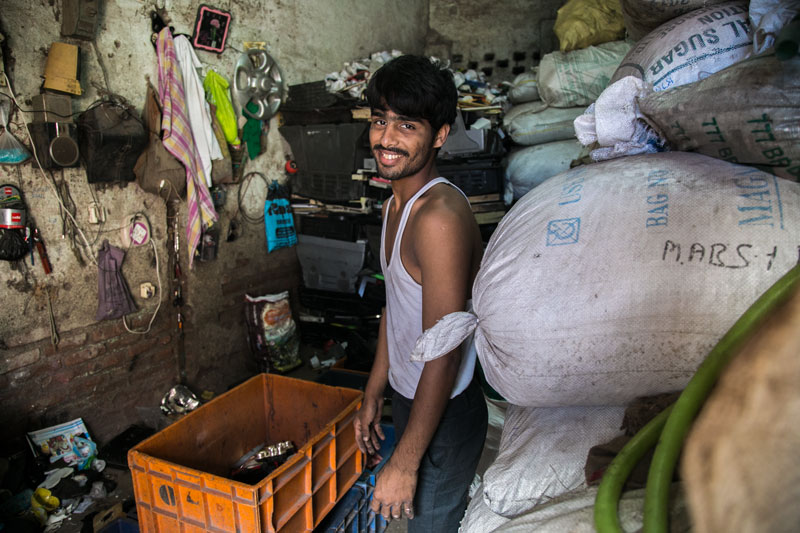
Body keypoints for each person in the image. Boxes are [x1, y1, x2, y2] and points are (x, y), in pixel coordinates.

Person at [354, 54, 488, 532]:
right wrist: (374, 392)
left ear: (440, 135)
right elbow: (398, 306)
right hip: (411, 397)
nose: (385, 139)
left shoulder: (438, 218)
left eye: (406, 125)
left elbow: (444, 351)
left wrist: (405, 462)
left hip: (446, 408)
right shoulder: (396, 204)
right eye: (380, 120)